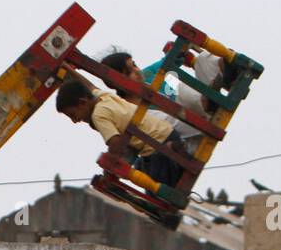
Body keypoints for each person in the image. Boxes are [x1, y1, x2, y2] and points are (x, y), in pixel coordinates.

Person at [55, 75, 189, 192]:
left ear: (83, 103)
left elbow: (115, 144)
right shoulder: (104, 97)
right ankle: (175, 151)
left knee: (157, 197)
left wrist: (108, 171)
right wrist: (69, 69)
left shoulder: (98, 115)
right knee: (140, 166)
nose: (75, 121)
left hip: (158, 148)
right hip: (168, 133)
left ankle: (176, 156)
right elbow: (89, 86)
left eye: (73, 115)